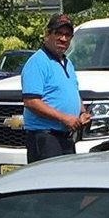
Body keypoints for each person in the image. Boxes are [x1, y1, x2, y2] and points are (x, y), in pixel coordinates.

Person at [18, 15, 89, 162]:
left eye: (67, 35)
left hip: (66, 136)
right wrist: (64, 118)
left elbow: (73, 91)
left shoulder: (67, 63)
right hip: (45, 138)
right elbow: (31, 102)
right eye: (58, 33)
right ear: (47, 34)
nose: (63, 38)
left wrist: (82, 112)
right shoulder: (37, 62)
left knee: (66, 182)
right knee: (48, 182)